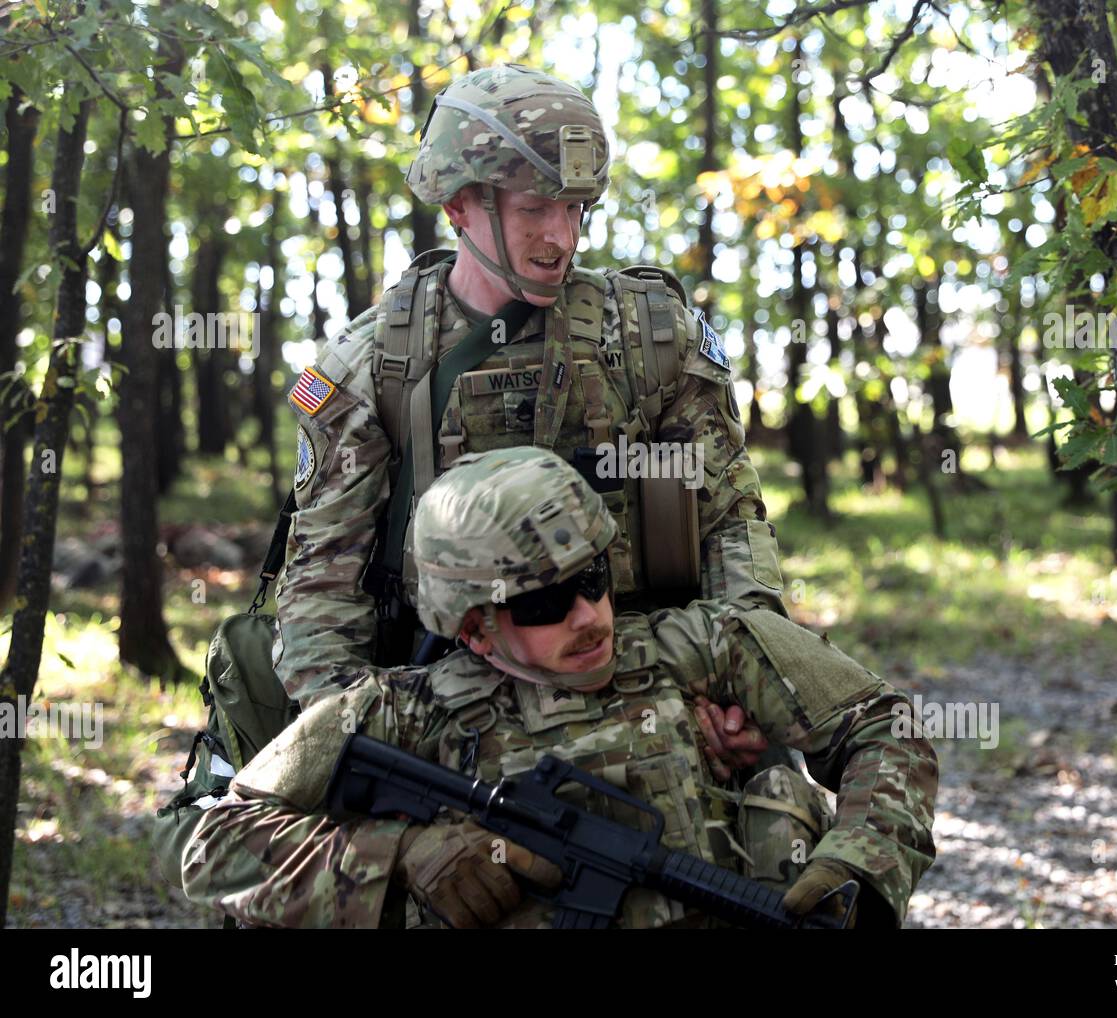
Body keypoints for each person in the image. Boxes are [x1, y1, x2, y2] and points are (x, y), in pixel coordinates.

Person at [276, 62, 786, 787]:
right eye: (534, 209)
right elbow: (324, 595)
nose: (561, 237)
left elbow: (731, 524)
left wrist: (741, 689)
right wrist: (370, 759)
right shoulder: (375, 368)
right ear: (459, 205)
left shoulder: (650, 339)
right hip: (455, 719)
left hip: (653, 677)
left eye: (576, 208)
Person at [182, 448, 937, 929]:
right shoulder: (397, 712)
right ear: (473, 629)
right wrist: (402, 855)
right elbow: (213, 850)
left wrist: (861, 860)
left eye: (594, 581)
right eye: (544, 604)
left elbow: (879, 724)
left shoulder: (698, 645)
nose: (591, 617)